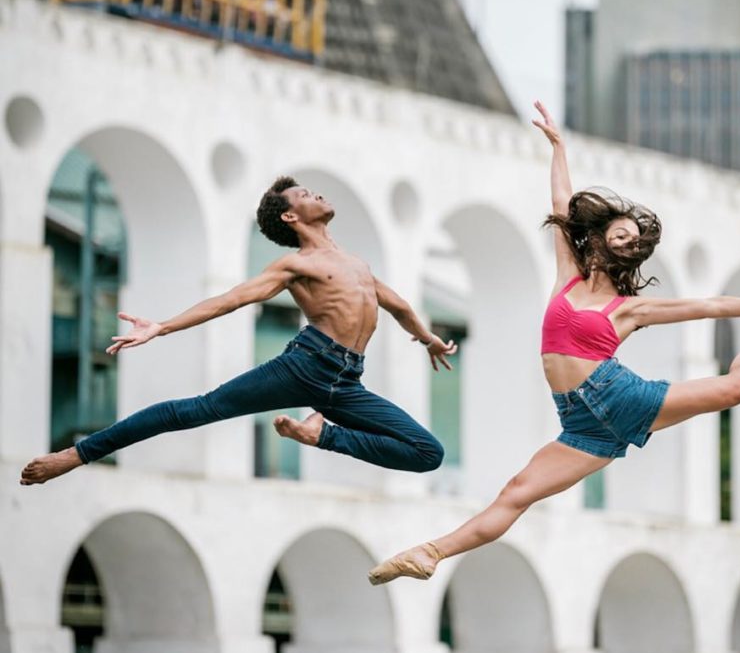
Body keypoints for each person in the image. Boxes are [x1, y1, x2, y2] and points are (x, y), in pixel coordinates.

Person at [367, 101, 740, 584]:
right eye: (623, 232)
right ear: (602, 232)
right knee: (517, 491)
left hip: (621, 397)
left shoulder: (629, 309)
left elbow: (709, 305)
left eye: (635, 241)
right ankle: (429, 553)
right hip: (581, 423)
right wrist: (559, 148)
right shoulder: (567, 273)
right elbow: (560, 203)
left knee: (739, 387)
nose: (628, 240)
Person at [20, 177, 455, 486]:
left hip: (346, 383)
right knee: (195, 411)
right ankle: (76, 454)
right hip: (305, 366)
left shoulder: (356, 264)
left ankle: (322, 435)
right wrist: (163, 327)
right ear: (291, 215)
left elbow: (397, 305)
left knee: (427, 454)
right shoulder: (295, 265)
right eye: (304, 194)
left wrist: (428, 338)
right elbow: (231, 299)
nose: (316, 194)